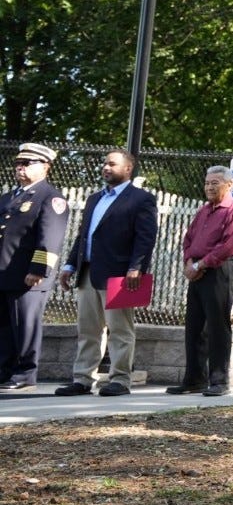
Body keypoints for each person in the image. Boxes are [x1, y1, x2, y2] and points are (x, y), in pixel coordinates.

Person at [54, 148, 157, 397]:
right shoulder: (94, 199)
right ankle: (82, 379)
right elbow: (84, 236)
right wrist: (69, 265)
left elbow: (145, 238)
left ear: (128, 169)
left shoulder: (140, 199)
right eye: (105, 163)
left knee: (120, 329)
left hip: (120, 275)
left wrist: (136, 268)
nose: (106, 167)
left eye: (112, 164)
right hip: (89, 271)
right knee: (88, 329)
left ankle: (120, 380)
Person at [169, 165, 233, 397]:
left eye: (215, 183)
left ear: (229, 184)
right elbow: (188, 239)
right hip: (196, 271)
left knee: (217, 326)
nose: (209, 187)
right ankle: (194, 379)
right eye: (207, 183)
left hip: (218, 271)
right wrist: (188, 262)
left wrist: (201, 264)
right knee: (194, 327)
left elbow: (229, 246)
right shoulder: (204, 210)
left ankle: (219, 380)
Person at [1, 142, 68, 390]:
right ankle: (4, 371)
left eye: (27, 163)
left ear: (45, 167)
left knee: (25, 326)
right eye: (18, 163)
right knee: (5, 328)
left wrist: (38, 270)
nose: (20, 168)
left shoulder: (50, 197)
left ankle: (25, 375)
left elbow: (49, 238)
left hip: (27, 275)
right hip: (4, 273)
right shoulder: (10, 197)